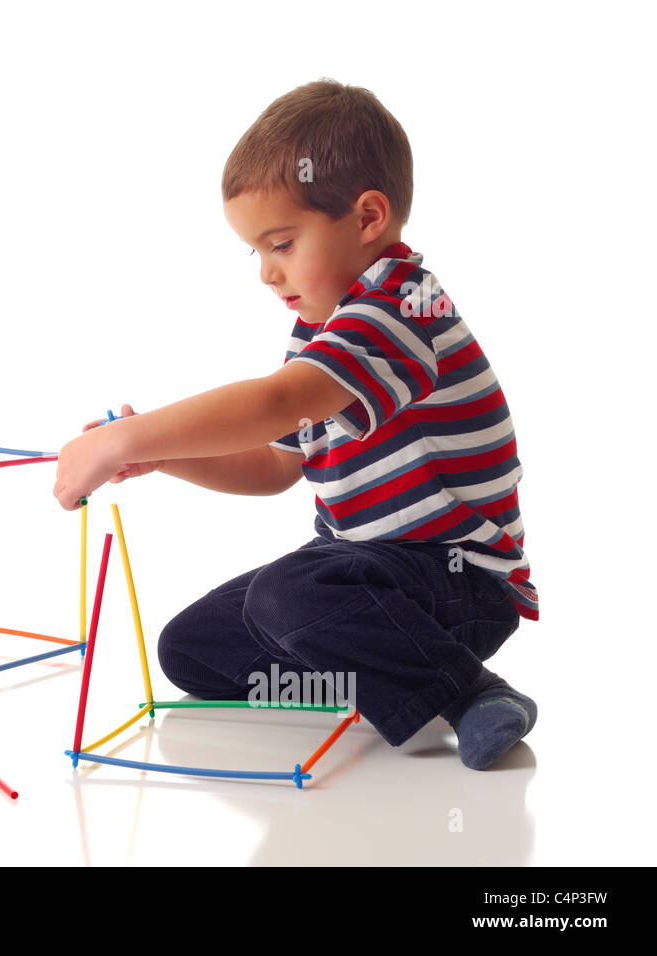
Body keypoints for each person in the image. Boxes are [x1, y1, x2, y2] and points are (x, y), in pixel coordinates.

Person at [52, 78, 537, 770]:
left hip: (457, 582)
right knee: (192, 648)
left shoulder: (404, 307)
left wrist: (132, 435)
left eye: (280, 243)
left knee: (289, 596)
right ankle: (375, 676)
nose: (265, 273)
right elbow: (277, 464)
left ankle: (466, 692)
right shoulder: (320, 332)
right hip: (362, 570)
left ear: (368, 218)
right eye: (255, 252)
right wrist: (166, 459)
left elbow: (279, 404)